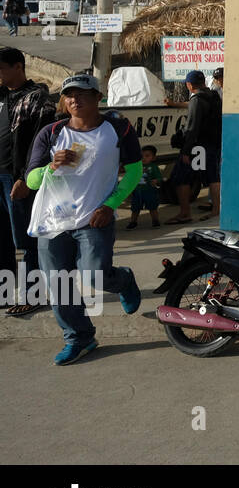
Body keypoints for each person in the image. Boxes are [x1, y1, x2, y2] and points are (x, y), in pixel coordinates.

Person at [22, 74, 142, 365]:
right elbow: (31, 180)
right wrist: (51, 166)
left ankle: (123, 280)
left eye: (82, 94)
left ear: (98, 97)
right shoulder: (50, 133)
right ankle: (79, 337)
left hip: (94, 218)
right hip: (52, 222)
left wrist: (110, 205)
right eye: (69, 95)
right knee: (58, 284)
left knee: (94, 276)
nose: (74, 99)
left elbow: (135, 171)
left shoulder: (118, 128)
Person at [0, 47, 56, 316]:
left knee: (26, 240)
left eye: (1, 68)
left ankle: (33, 295)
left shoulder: (37, 99)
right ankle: (4, 293)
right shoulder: (2, 96)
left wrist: (24, 177)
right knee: (1, 240)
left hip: (17, 178)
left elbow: (40, 143)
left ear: (18, 67)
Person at [168, 70, 221, 223]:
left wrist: (185, 151)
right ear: (204, 82)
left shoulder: (196, 100)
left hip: (197, 147)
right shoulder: (215, 97)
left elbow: (191, 128)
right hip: (213, 145)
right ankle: (216, 209)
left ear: (189, 85)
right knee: (213, 177)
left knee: (180, 177)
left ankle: (185, 213)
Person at [126, 145, 163, 229]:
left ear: (153, 158)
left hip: (149, 191)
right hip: (137, 191)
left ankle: (155, 220)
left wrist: (156, 180)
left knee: (152, 207)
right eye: (141, 156)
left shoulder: (153, 167)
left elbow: (159, 177)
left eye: (147, 156)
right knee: (135, 208)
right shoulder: (136, 167)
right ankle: (133, 221)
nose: (144, 158)